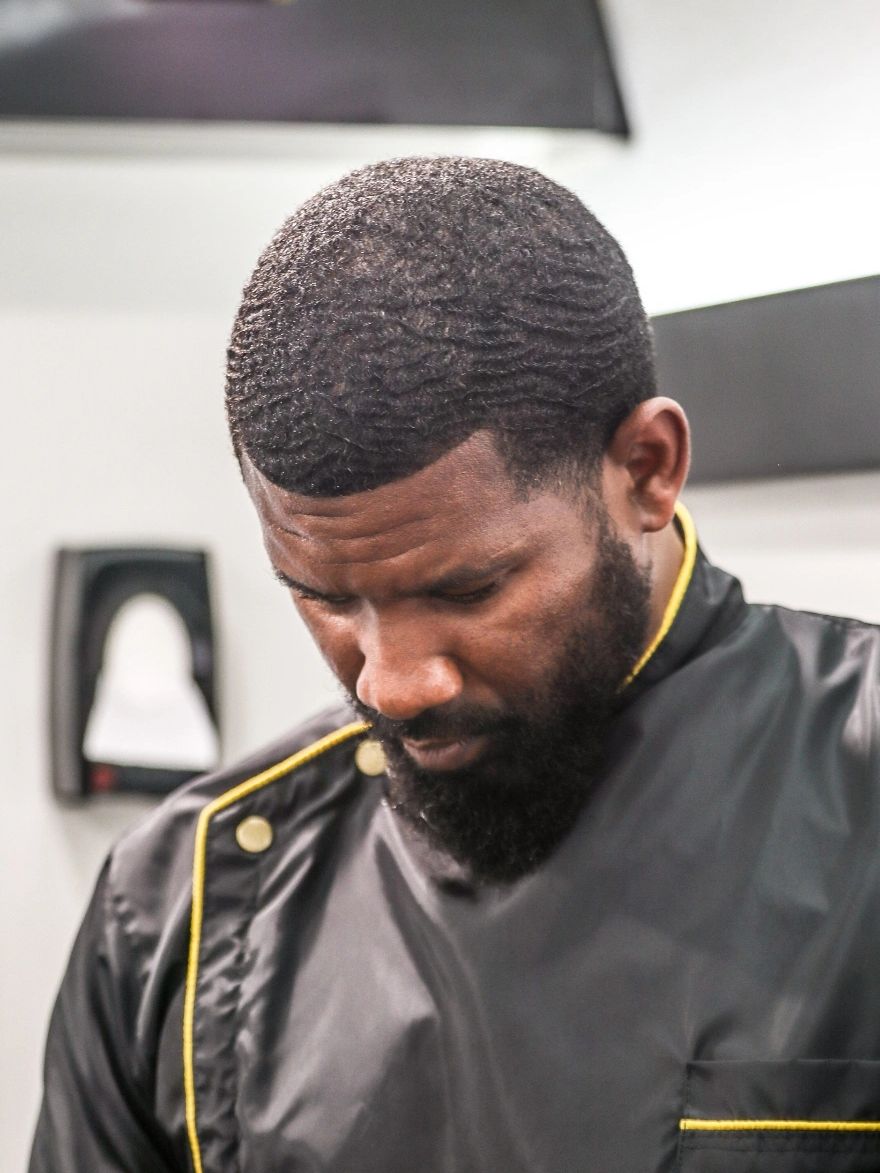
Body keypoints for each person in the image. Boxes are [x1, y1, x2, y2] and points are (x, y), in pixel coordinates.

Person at [31, 157, 880, 1173]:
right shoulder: (177, 904)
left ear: (647, 471)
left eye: (467, 590)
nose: (391, 685)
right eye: (325, 597)